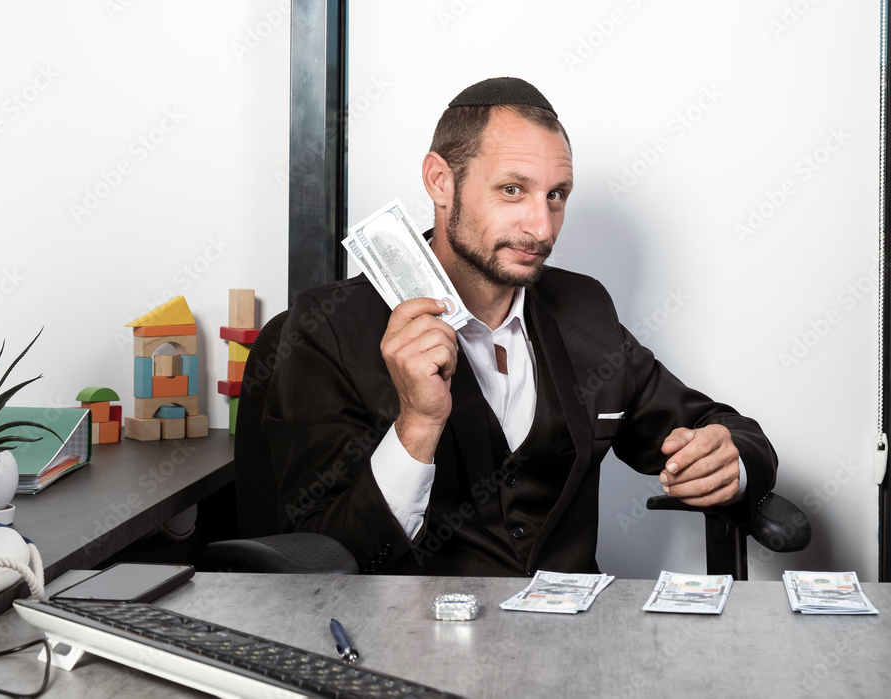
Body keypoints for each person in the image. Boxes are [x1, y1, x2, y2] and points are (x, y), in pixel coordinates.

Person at [263, 77, 777, 576]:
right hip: (407, 646)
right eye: (513, 190)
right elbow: (318, 557)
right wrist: (417, 425)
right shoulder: (328, 329)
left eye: (557, 195)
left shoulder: (583, 309)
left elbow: (721, 427)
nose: (542, 226)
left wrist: (729, 458)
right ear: (440, 182)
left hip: (569, 643)